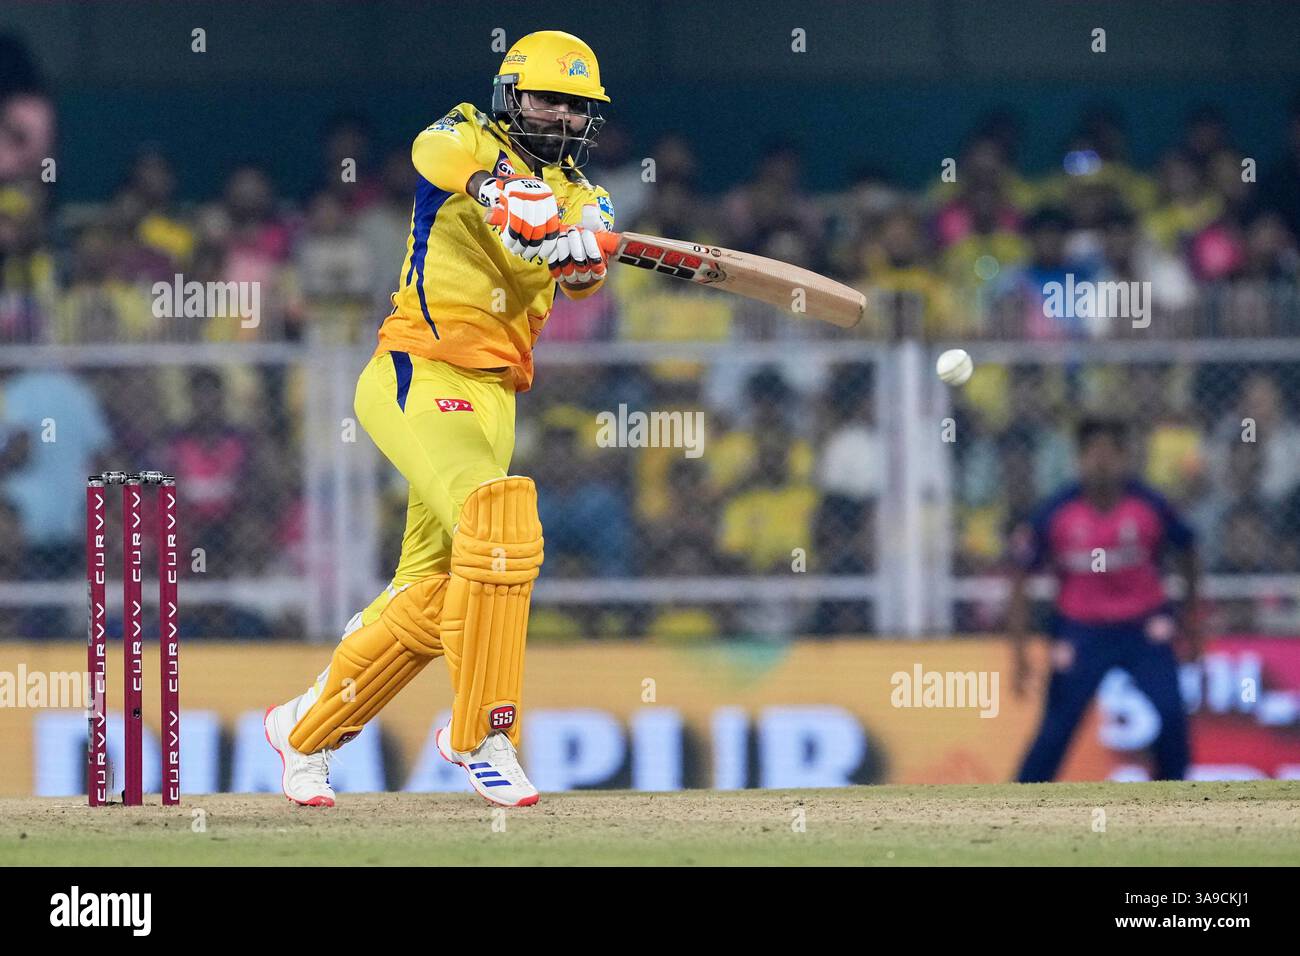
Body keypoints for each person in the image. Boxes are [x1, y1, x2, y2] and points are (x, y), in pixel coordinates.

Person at [264, 31, 615, 807]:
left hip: (494, 398)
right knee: (501, 525)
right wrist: (498, 191)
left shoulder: (582, 196)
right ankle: (484, 735)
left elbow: (587, 274)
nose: (559, 115)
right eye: (547, 97)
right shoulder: (466, 134)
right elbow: (431, 152)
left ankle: (303, 731)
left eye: (576, 106)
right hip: (415, 372)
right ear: (510, 95)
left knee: (435, 590)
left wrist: (579, 255)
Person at [1008, 417, 1201, 782]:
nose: (1101, 462)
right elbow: (1019, 573)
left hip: (1144, 628)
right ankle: (1018, 803)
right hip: (1081, 631)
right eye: (1092, 454)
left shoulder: (1150, 506)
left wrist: (1191, 625)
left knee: (1171, 713)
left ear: (1124, 458)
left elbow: (1188, 550)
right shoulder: (1056, 511)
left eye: (1110, 454)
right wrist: (1018, 655)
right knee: (1056, 728)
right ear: (1079, 459)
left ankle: (1174, 802)